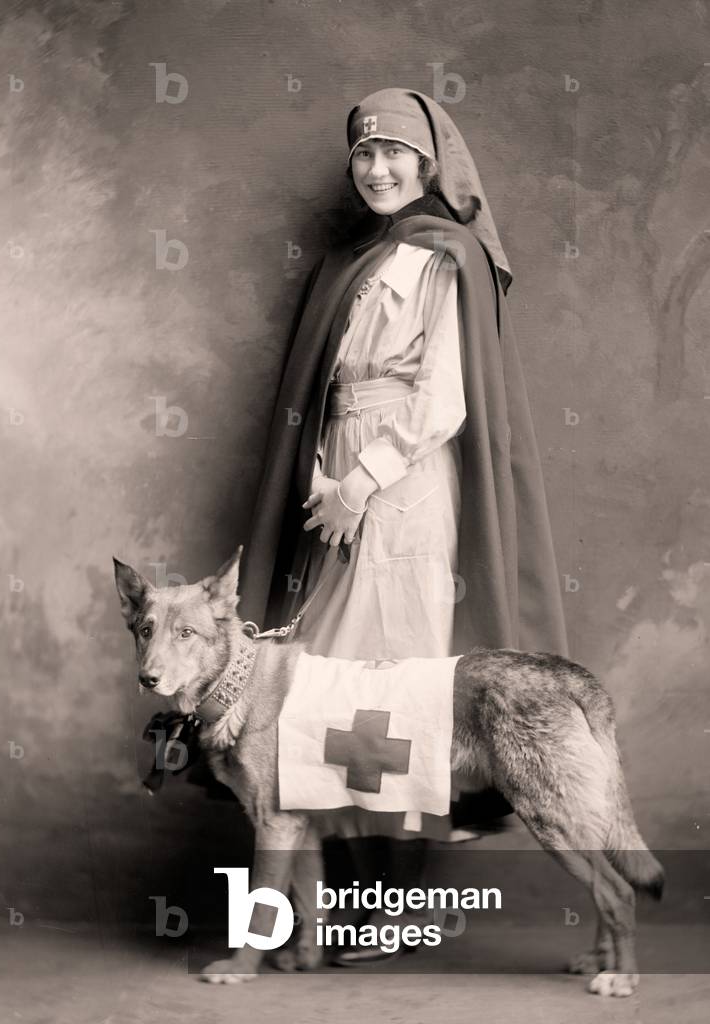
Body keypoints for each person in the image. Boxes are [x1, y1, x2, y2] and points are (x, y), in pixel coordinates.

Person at [238, 88, 569, 964]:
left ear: (429, 164)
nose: (378, 169)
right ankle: (324, 910)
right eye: (363, 154)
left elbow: (443, 402)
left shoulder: (441, 256)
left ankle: (393, 908)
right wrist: (321, 480)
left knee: (392, 694)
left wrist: (362, 483)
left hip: (403, 491)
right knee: (318, 690)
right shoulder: (352, 261)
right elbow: (323, 397)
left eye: (395, 154)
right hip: (339, 484)